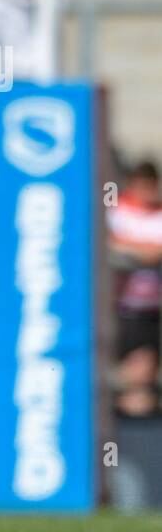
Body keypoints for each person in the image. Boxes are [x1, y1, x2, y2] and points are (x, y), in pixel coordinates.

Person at [106, 161, 162, 417]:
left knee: (144, 365)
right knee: (133, 365)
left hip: (150, 309)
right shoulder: (117, 211)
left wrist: (133, 250)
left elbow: (153, 253)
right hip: (120, 306)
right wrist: (142, 251)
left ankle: (141, 413)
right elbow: (107, 242)